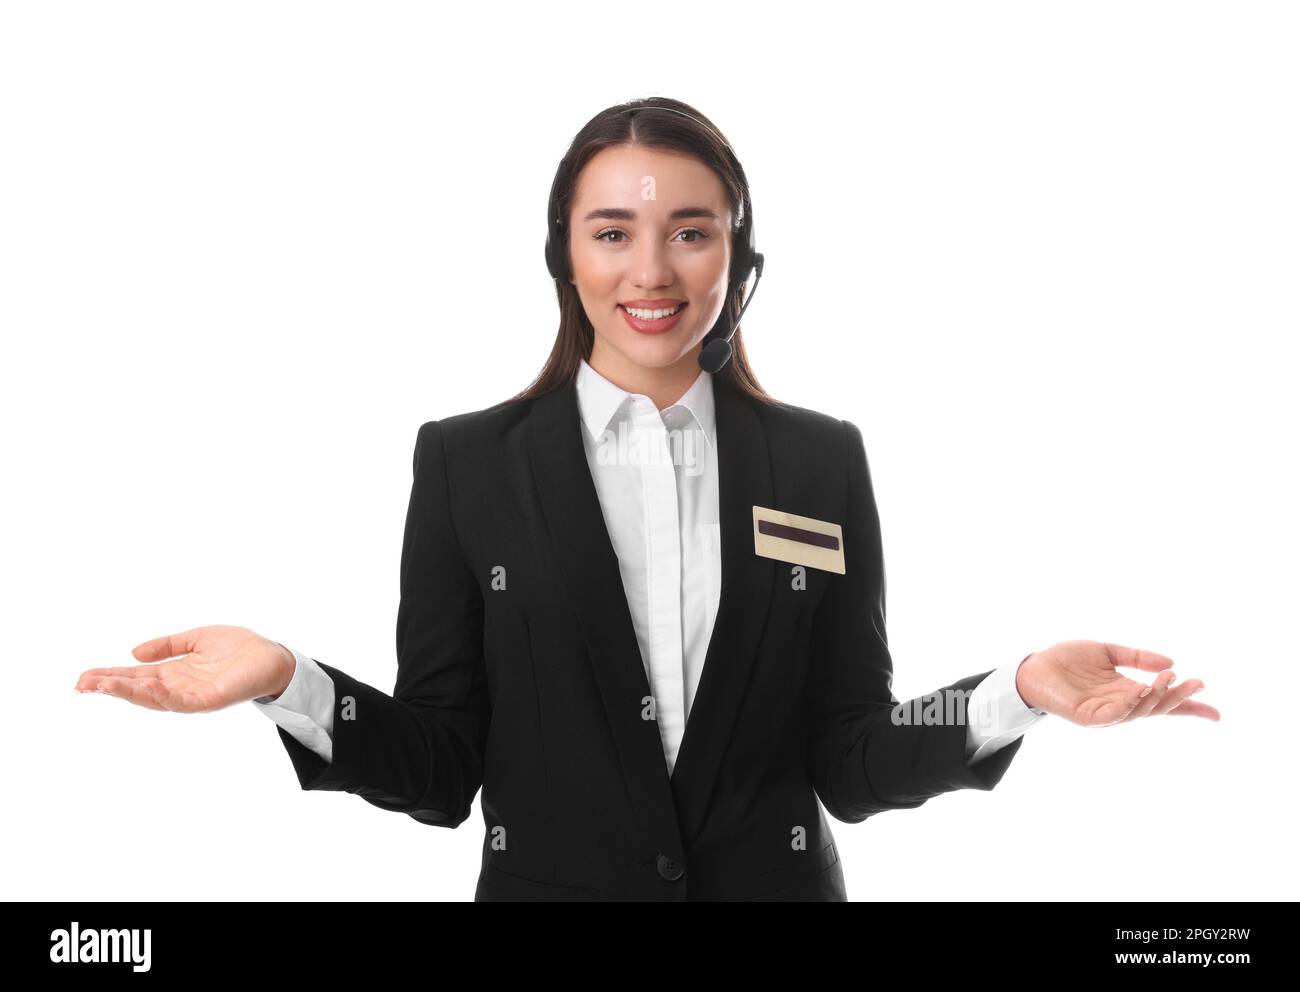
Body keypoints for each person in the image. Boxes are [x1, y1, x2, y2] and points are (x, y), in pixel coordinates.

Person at [75, 97, 1219, 901]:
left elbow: (851, 754)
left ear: (739, 256)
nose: (652, 272)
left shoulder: (820, 462)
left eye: (691, 232)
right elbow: (440, 765)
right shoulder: (468, 463)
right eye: (612, 232)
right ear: (563, 254)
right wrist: (287, 679)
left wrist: (1012, 692)